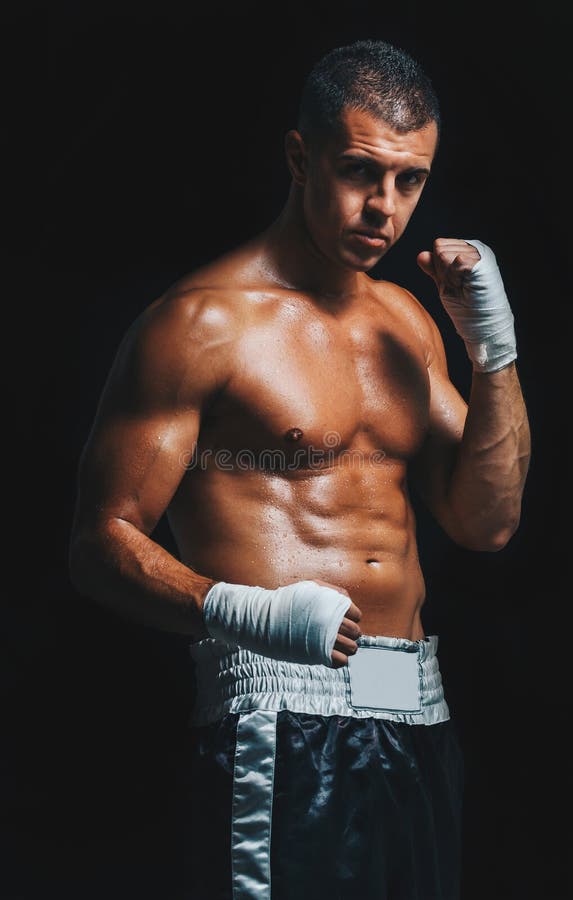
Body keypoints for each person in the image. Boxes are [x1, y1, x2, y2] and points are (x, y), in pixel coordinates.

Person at [69, 38, 531, 900]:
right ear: (298, 156)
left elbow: (487, 520)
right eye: (360, 172)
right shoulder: (201, 325)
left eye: (409, 181)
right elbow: (98, 544)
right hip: (280, 719)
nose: (383, 208)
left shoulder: (407, 324)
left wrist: (492, 351)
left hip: (418, 715)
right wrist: (242, 612)